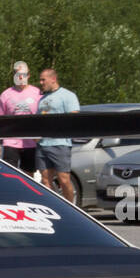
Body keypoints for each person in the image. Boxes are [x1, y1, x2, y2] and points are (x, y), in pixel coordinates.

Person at [35, 68, 81, 203]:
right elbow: (38, 119)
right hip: (43, 144)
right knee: (45, 180)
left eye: (43, 80)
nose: (41, 82)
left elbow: (74, 117)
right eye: (40, 80)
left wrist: (57, 127)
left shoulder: (67, 95)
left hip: (60, 143)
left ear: (53, 79)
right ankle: (55, 206)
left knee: (64, 179)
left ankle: (71, 207)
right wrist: (36, 133)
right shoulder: (42, 99)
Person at [0, 61, 40, 173]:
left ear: (29, 75)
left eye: (24, 74)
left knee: (28, 174)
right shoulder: (6, 94)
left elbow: (43, 117)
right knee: (9, 173)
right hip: (10, 141)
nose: (21, 77)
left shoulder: (37, 93)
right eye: (18, 74)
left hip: (31, 142)